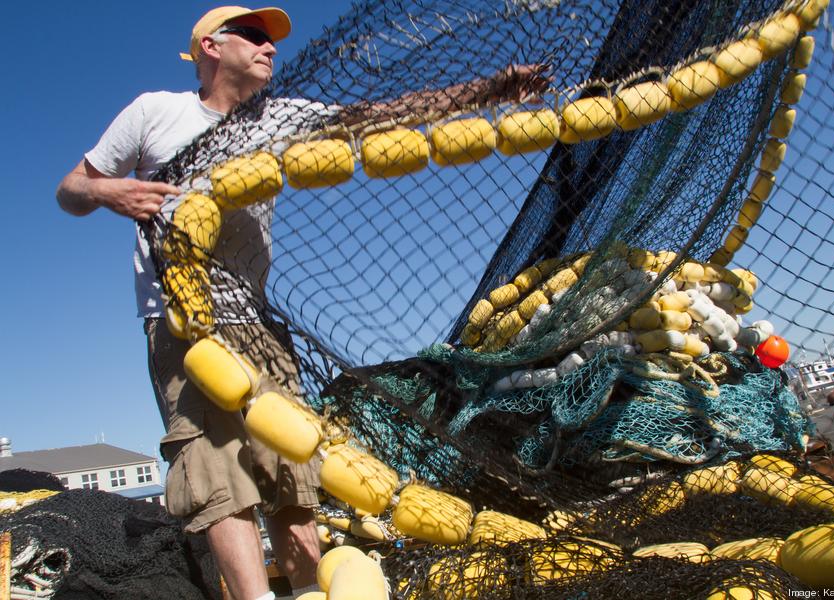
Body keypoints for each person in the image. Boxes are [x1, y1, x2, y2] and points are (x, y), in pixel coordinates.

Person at [57, 6, 549, 600]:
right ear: (211, 47)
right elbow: (72, 190)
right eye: (255, 36)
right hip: (184, 325)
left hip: (257, 325)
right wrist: (112, 190)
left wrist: (491, 89)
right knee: (217, 471)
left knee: (291, 466)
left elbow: (378, 117)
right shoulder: (155, 112)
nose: (270, 47)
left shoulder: (284, 117)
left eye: (271, 40)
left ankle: (311, 588)